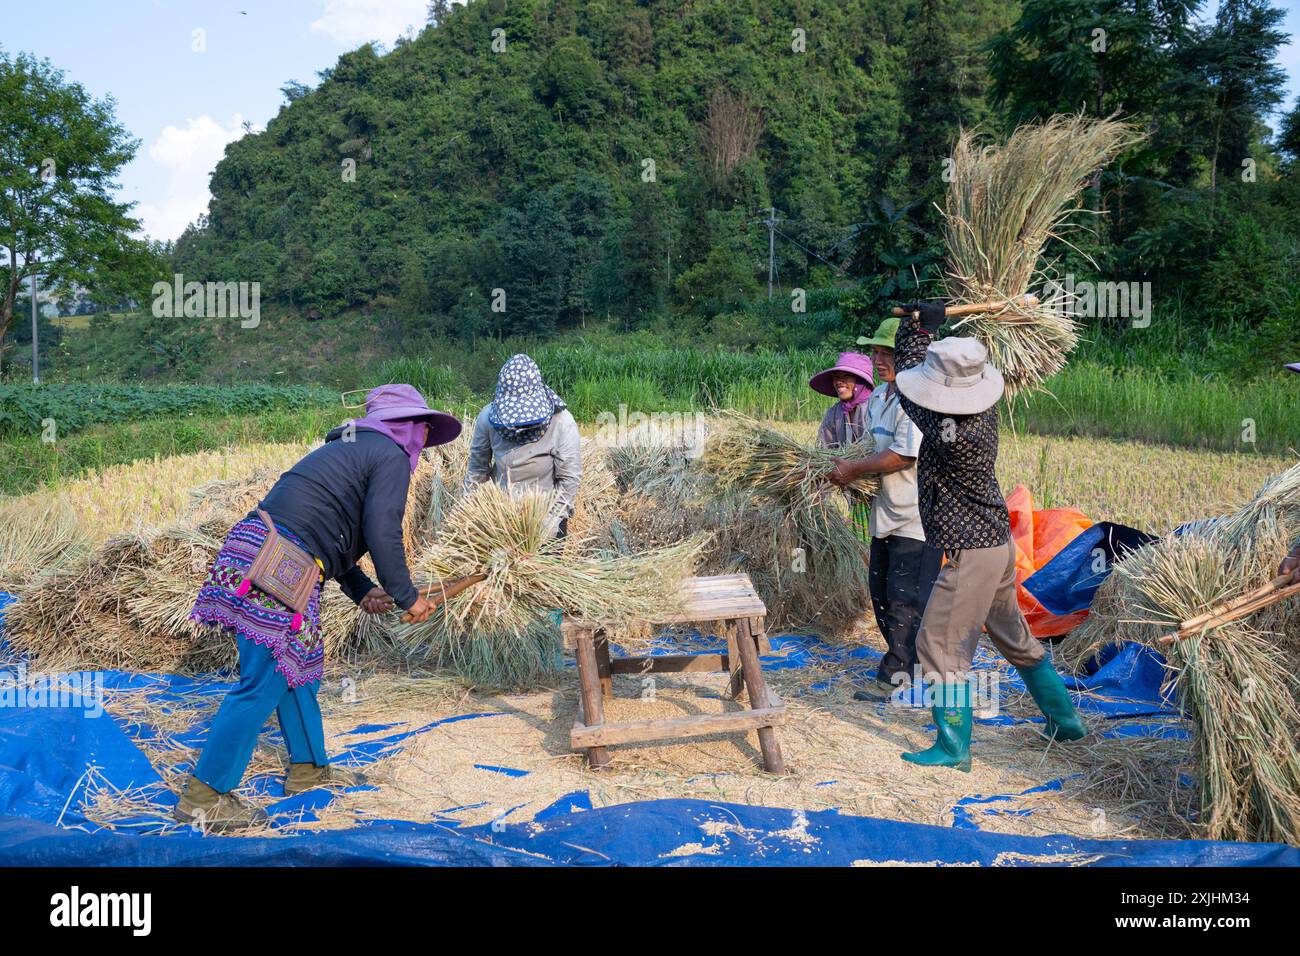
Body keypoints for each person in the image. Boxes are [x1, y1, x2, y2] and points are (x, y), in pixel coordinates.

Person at [174, 384, 462, 830]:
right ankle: (204, 796)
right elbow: (382, 531)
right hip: (279, 560)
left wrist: (364, 589)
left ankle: (308, 769)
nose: (424, 440)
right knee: (262, 681)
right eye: (423, 429)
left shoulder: (351, 450)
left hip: (269, 552)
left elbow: (333, 534)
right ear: (404, 425)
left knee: (296, 667)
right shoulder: (387, 455)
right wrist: (408, 597)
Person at [890, 302, 1086, 772]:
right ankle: (1066, 721)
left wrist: (914, 327)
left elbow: (907, 385)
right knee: (1013, 636)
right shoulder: (984, 408)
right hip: (997, 544)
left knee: (939, 645)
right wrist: (926, 329)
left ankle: (953, 748)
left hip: (971, 551)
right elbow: (918, 381)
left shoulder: (946, 428)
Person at [826, 318, 942, 702]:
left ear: (908, 356)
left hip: (915, 518)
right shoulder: (878, 398)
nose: (878, 359)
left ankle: (898, 677)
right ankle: (912, 668)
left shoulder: (917, 399)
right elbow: (867, 450)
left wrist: (853, 470)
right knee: (881, 594)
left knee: (904, 600)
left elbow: (901, 456)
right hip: (884, 516)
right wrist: (840, 472)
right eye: (875, 352)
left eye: (887, 352)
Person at [465, 354, 582, 537]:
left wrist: (548, 525)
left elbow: (569, 479)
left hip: (547, 513)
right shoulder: (487, 418)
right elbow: (477, 470)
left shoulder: (561, 422)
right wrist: (469, 514)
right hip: (502, 516)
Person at [812, 350, 875, 540]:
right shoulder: (834, 414)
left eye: (846, 376)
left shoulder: (875, 407)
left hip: (881, 491)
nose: (839, 382)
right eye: (836, 377)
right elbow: (825, 450)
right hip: (854, 491)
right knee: (861, 537)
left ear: (861, 381)